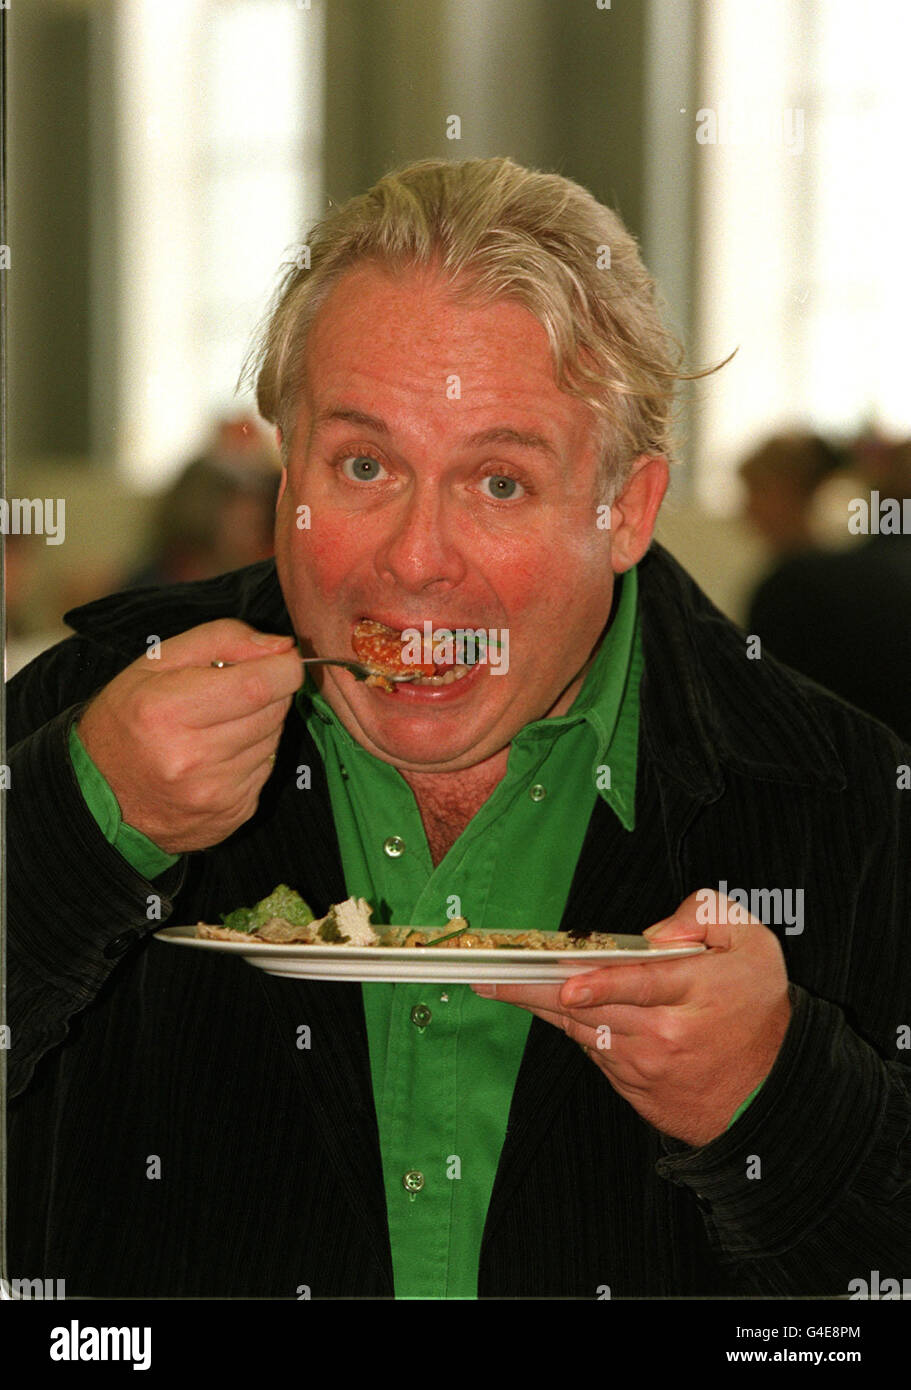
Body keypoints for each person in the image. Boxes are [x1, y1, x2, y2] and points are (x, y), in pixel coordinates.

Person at [7, 157, 910, 1300]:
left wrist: (777, 1107)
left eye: (498, 482)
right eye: (363, 464)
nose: (415, 558)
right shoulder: (87, 721)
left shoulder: (848, 805)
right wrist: (71, 828)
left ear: (625, 509)